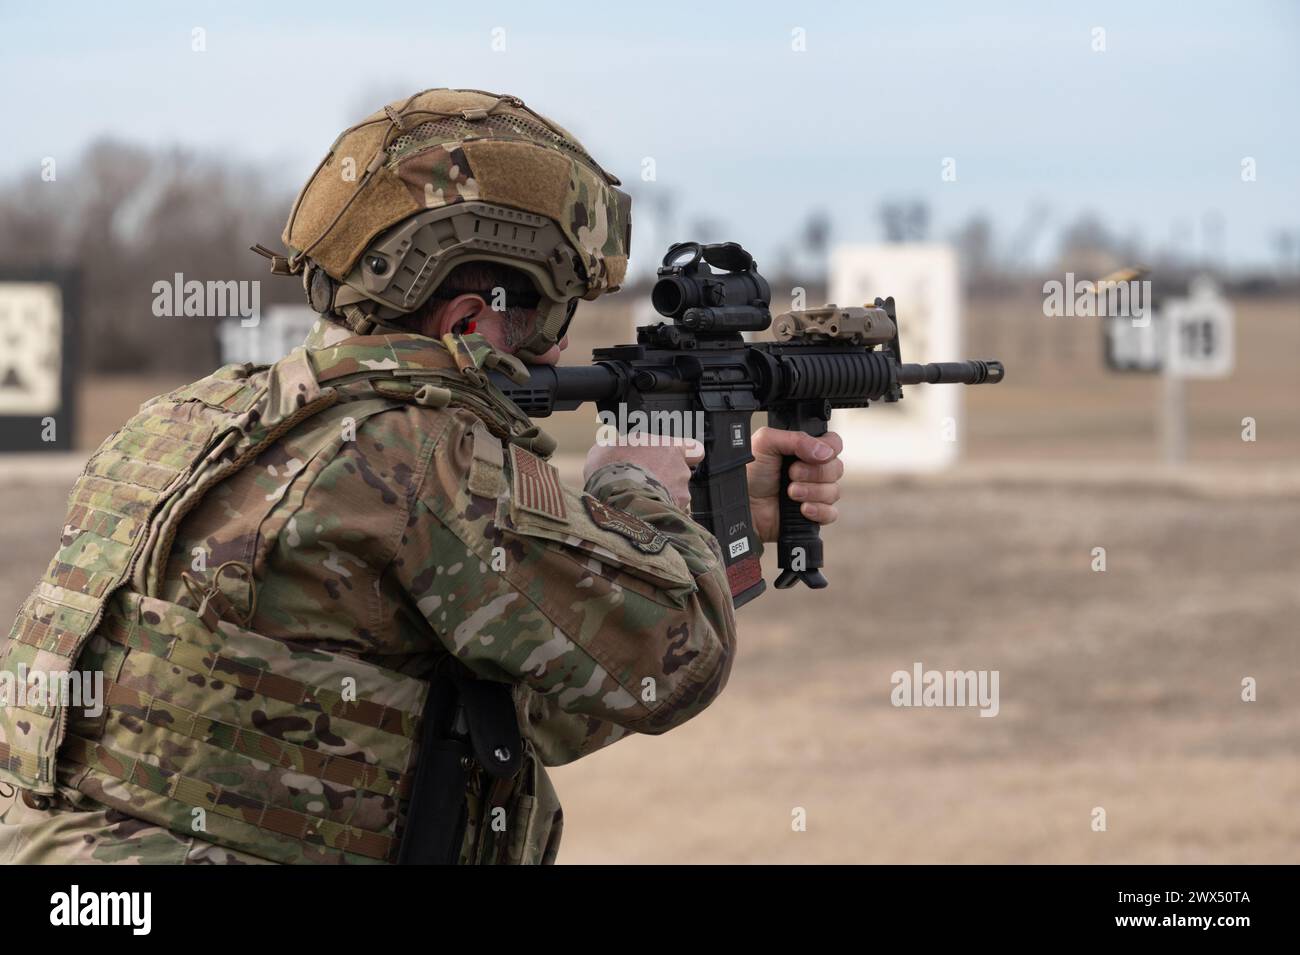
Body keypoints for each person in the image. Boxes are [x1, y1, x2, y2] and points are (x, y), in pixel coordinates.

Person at [0, 88, 842, 864]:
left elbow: (504, 704)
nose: (559, 353)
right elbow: (675, 655)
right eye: (556, 318)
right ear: (470, 321)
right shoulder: (417, 455)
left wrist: (722, 516)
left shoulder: (191, 417)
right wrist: (634, 485)